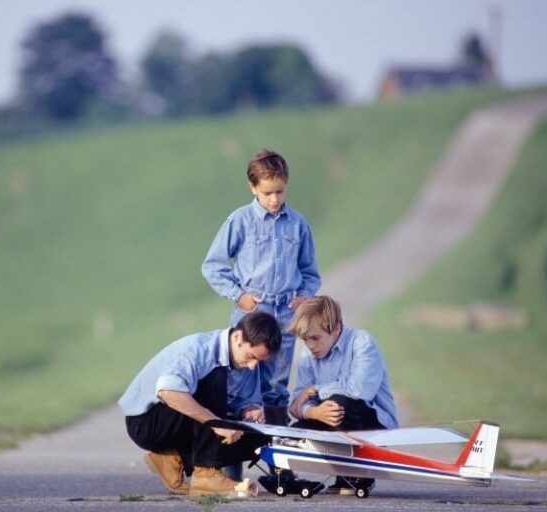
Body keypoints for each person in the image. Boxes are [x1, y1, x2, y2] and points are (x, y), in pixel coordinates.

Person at [202, 148, 321, 425]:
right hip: (252, 311)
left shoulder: (298, 224)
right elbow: (212, 266)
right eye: (267, 193)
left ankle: (277, 446)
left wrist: (304, 296)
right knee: (241, 377)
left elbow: (310, 271)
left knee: (276, 384)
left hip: (286, 313)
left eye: (280, 191)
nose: (274, 199)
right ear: (253, 187)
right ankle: (236, 446)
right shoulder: (239, 221)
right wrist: (238, 295)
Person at [118, 311, 281, 497]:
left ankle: (174, 459)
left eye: (259, 360)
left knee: (260, 436)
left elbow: (247, 402)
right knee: (215, 376)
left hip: (182, 423)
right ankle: (205, 474)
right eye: (251, 356)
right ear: (237, 337)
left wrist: (251, 412)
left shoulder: (249, 364)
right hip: (146, 423)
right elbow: (167, 391)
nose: (253, 366)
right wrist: (216, 423)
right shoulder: (200, 349)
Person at [287, 295, 398, 494]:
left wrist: (315, 389)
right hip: (332, 419)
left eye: (315, 338)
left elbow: (360, 390)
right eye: (305, 339)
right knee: (294, 434)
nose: (310, 346)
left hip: (374, 426)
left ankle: (359, 473)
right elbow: (297, 403)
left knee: (338, 403)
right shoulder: (308, 354)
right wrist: (313, 413)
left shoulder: (361, 341)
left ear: (336, 328)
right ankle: (342, 471)